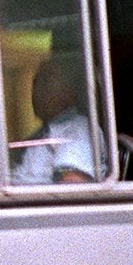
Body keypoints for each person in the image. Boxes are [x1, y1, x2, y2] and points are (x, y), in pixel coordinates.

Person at [11, 56, 100, 184]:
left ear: (70, 92)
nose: (35, 91)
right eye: (35, 82)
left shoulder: (76, 131)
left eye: (45, 82)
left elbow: (72, 188)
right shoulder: (44, 132)